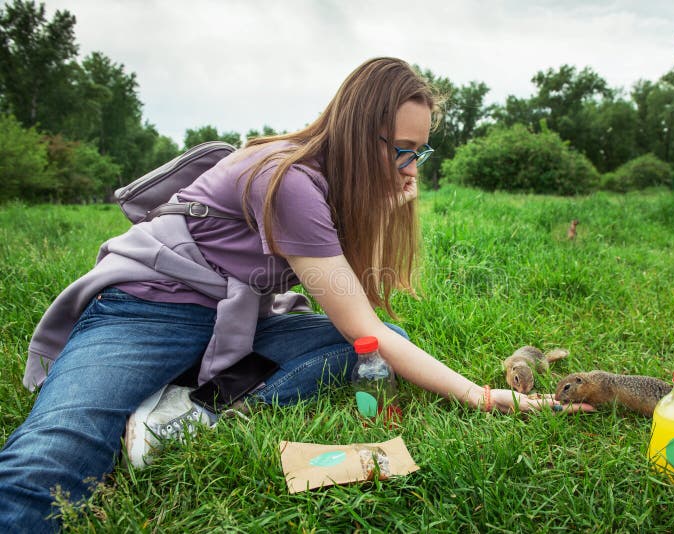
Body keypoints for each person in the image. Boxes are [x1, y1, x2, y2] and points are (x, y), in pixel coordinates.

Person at [0, 57, 591, 532]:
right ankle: (161, 400)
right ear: (362, 135)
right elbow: (368, 323)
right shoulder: (292, 182)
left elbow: (364, 317)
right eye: (402, 150)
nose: (413, 167)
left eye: (421, 151)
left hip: (233, 322)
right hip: (143, 312)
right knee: (58, 448)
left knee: (376, 352)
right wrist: (480, 396)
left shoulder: (333, 185)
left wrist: (380, 212)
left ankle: (186, 408)